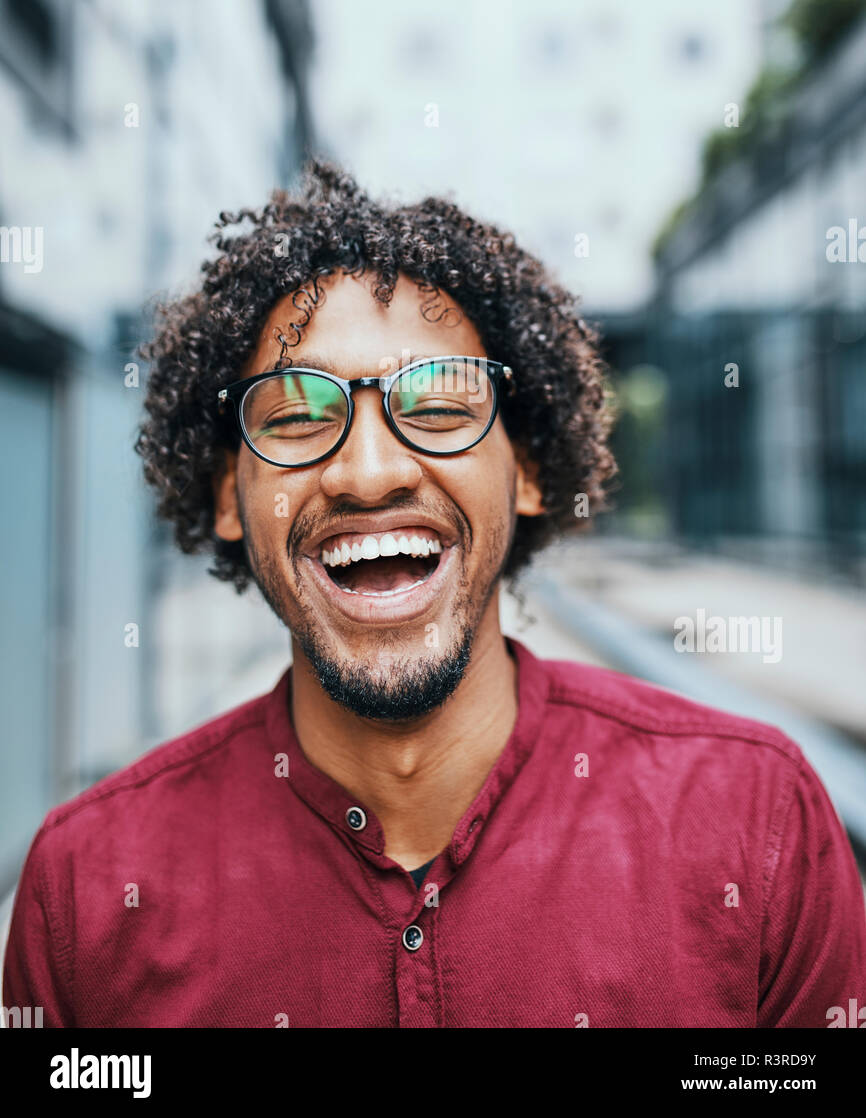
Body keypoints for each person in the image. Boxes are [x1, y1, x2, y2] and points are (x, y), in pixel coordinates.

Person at [4, 158, 864, 1027]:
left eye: (441, 405)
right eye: (298, 414)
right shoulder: (85, 891)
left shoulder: (758, 823)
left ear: (527, 470)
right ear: (229, 495)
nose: (369, 472)